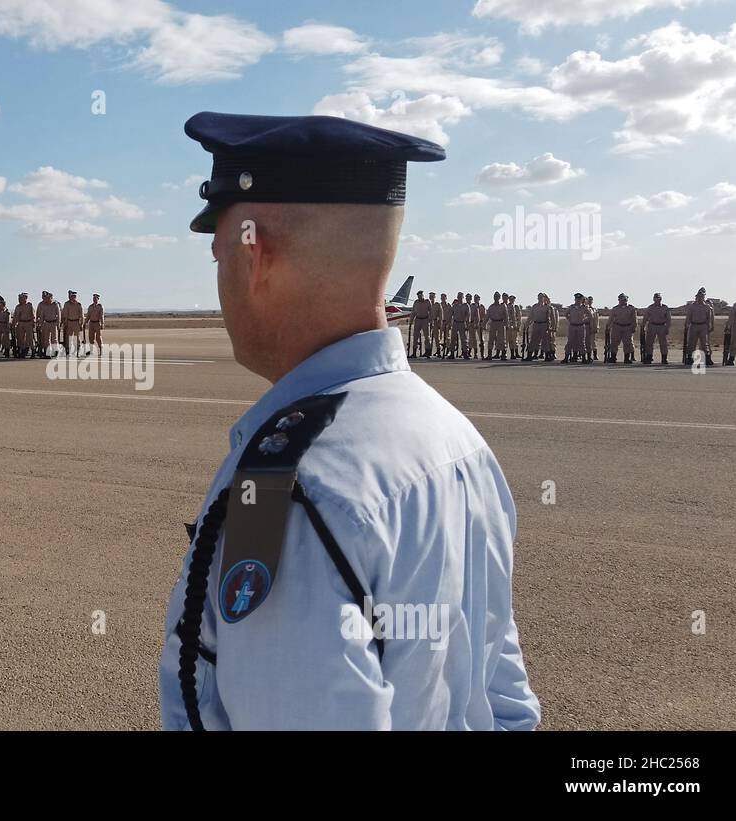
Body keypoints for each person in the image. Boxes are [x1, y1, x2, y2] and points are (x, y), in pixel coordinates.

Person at [160, 111, 540, 731]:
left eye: (220, 254)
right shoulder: (455, 438)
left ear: (256, 258)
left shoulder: (294, 491)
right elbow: (505, 705)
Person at [686, 287, 715, 366]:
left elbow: (709, 318)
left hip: (703, 326)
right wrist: (687, 325)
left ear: (704, 297)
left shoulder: (707, 307)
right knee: (692, 343)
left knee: (705, 343)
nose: (700, 298)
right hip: (694, 325)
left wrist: (710, 326)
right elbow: (688, 316)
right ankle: (690, 358)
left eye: (702, 296)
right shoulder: (692, 306)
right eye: (699, 296)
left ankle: (708, 359)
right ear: (696, 296)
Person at [607, 293, 637, 364]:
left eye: (625, 300)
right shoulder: (615, 309)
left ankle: (627, 358)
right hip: (617, 327)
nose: (623, 301)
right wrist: (608, 326)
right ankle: (613, 357)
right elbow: (611, 318)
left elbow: (634, 319)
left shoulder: (631, 308)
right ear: (619, 300)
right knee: (614, 343)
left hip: (627, 327)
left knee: (627, 343)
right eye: (622, 299)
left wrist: (634, 327)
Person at [643, 293, 671, 365]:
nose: (657, 299)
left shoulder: (665, 308)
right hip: (652, 326)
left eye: (658, 298)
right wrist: (643, 326)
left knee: (663, 343)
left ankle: (664, 358)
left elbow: (668, 319)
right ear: (653, 299)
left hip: (662, 326)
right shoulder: (650, 308)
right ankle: (649, 357)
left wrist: (667, 328)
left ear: (660, 299)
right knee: (649, 343)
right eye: (655, 298)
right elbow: (645, 318)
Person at [563, 293, 589, 364]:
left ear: (581, 300)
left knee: (581, 342)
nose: (577, 301)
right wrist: (570, 320)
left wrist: (584, 320)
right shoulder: (571, 307)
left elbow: (590, 316)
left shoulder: (584, 307)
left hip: (581, 326)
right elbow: (566, 314)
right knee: (570, 342)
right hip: (572, 326)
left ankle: (584, 358)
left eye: (579, 299)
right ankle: (566, 357)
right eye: (576, 299)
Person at [485, 291, 507, 360]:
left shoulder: (503, 306)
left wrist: (507, 325)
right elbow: (487, 316)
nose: (496, 298)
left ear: (499, 297)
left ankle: (503, 354)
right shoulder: (491, 307)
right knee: (491, 339)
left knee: (501, 339)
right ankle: (489, 354)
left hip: (501, 323)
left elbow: (506, 316)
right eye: (495, 297)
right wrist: (483, 324)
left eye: (497, 297)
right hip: (493, 323)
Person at [61, 291, 84, 356]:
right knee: (69, 338)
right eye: (72, 296)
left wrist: (81, 324)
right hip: (69, 322)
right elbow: (65, 315)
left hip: (76, 322)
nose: (73, 297)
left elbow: (81, 316)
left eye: (75, 296)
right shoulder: (66, 304)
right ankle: (69, 351)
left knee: (77, 338)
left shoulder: (79, 304)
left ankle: (78, 351)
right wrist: (64, 323)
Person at [12, 293, 35, 358]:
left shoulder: (29, 305)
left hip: (28, 323)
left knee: (30, 339)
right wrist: (14, 324)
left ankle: (33, 352)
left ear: (25, 298)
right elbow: (15, 316)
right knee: (20, 339)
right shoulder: (18, 306)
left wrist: (33, 323)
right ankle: (22, 352)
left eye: (21, 298)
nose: (19, 300)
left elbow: (33, 315)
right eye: (19, 298)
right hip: (21, 323)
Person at [408, 290, 430, 358]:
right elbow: (413, 312)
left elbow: (431, 311)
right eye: (419, 296)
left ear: (423, 295)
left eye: (421, 295)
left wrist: (431, 320)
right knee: (415, 336)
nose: (420, 297)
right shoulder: (416, 302)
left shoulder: (427, 302)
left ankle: (427, 351)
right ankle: (414, 352)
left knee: (427, 337)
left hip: (425, 320)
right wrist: (411, 321)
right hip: (418, 320)